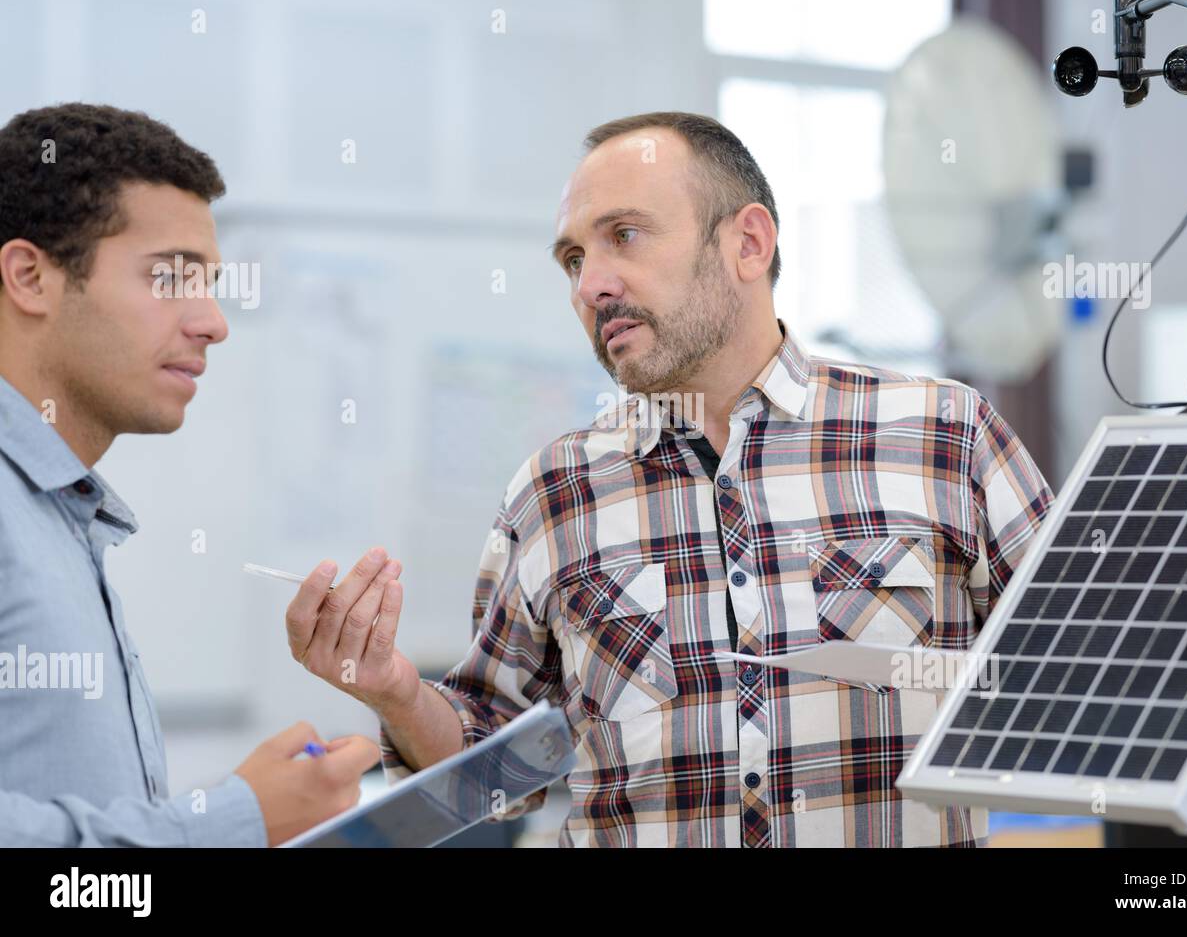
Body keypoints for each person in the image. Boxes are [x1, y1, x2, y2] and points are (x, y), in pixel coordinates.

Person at [285, 111, 1056, 847]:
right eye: (574, 259)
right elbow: (494, 780)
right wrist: (392, 686)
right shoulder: (554, 492)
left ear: (748, 244)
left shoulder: (943, 436)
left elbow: (1090, 679)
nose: (590, 285)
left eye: (623, 235)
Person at [0, 103, 379, 847]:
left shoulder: (61, 517)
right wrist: (233, 821)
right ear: (29, 277)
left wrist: (246, 809)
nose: (213, 321)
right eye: (170, 277)